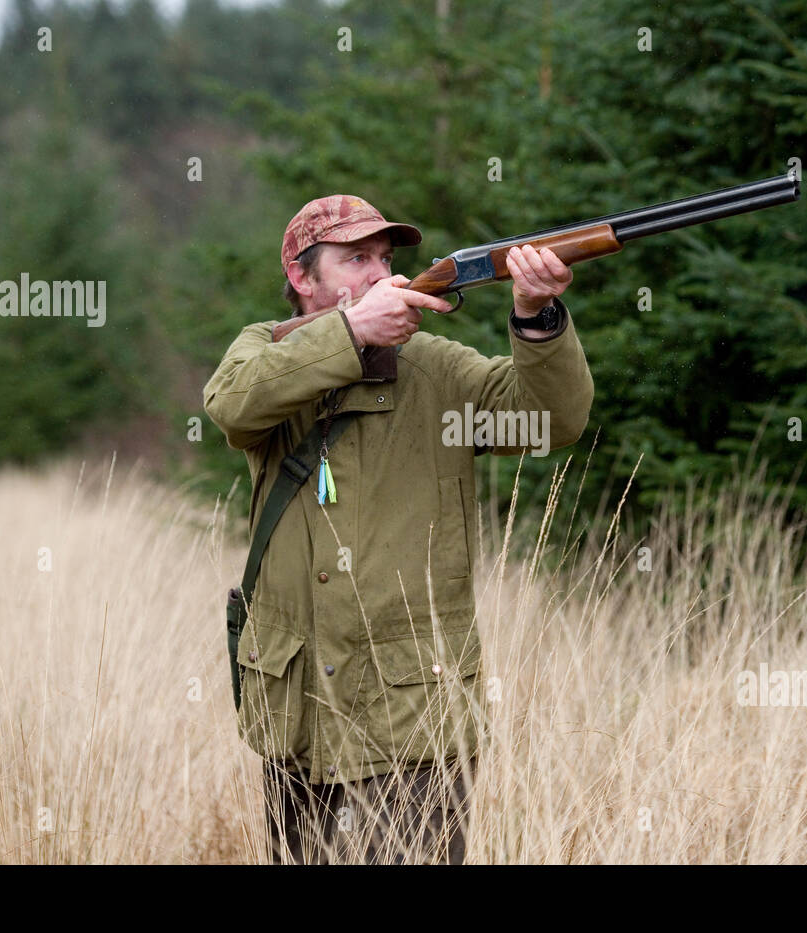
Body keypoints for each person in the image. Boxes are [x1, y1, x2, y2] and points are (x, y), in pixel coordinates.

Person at [202, 194, 594, 863]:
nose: (382, 273)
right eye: (357, 259)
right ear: (302, 276)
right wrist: (351, 333)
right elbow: (233, 405)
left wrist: (536, 317)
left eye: (385, 258)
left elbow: (549, 421)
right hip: (298, 714)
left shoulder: (435, 369)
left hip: (413, 725)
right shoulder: (264, 350)